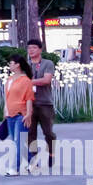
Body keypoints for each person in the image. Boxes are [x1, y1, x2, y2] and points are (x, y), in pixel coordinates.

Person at [26, 38, 56, 168]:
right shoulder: (25, 65)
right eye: (29, 48)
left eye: (33, 48)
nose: (31, 50)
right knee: (30, 132)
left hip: (45, 103)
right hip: (29, 104)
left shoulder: (47, 63)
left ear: (40, 49)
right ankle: (34, 158)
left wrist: (30, 82)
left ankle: (51, 154)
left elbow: (46, 80)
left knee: (48, 132)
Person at [3, 55, 33, 175]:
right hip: (10, 113)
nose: (9, 65)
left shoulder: (25, 80)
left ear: (17, 65)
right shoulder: (10, 79)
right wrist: (5, 110)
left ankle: (15, 168)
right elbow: (7, 97)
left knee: (17, 142)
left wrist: (29, 113)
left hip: (21, 114)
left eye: (11, 63)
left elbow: (29, 98)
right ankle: (33, 162)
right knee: (18, 141)